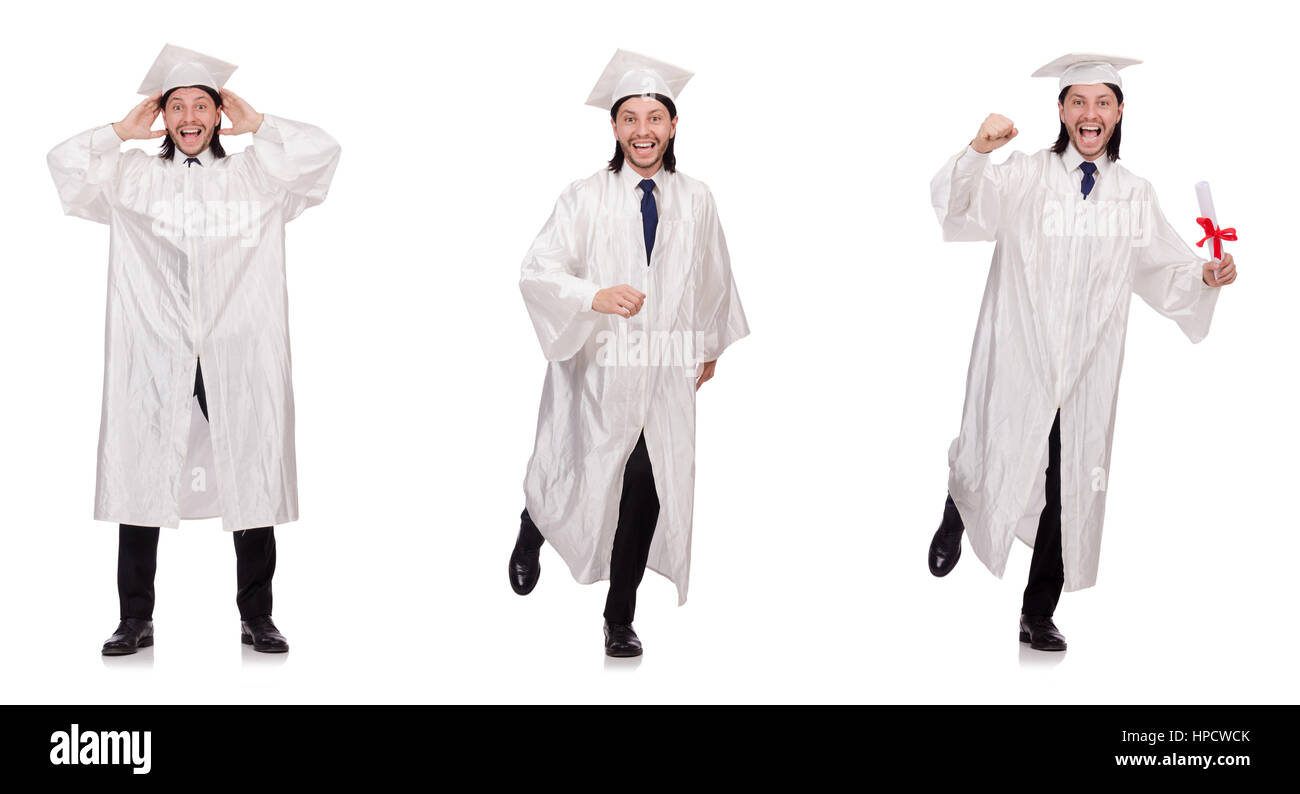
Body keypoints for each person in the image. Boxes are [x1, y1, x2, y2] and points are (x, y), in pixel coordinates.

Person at [925, 54, 1237, 651]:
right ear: (1062, 111)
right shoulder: (1025, 177)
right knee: (993, 440)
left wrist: (1206, 277)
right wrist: (977, 150)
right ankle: (957, 503)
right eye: (1078, 102)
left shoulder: (1133, 195)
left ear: (1120, 112)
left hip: (1086, 368)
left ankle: (1037, 611)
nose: (1090, 114)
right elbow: (958, 208)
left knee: (1068, 489)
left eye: (1102, 102)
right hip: (1020, 349)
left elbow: (1164, 265)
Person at [47, 44, 341, 655]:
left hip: (239, 348)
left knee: (252, 471)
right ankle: (135, 618)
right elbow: (65, 166)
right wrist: (117, 133)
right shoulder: (131, 176)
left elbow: (323, 155)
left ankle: (257, 616)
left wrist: (260, 125)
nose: (188, 116)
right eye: (175, 105)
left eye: (200, 106)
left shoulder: (256, 176)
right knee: (140, 473)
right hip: (154, 347)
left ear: (217, 114)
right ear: (161, 116)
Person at [508, 50, 749, 657]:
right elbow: (537, 271)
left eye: (656, 118)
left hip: (666, 370)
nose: (644, 131)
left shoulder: (697, 198)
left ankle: (620, 615)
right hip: (599, 366)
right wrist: (595, 294)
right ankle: (535, 520)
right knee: (584, 470)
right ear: (614, 128)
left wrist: (710, 346)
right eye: (631, 119)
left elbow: (713, 276)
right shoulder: (584, 196)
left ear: (673, 126)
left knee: (648, 483)